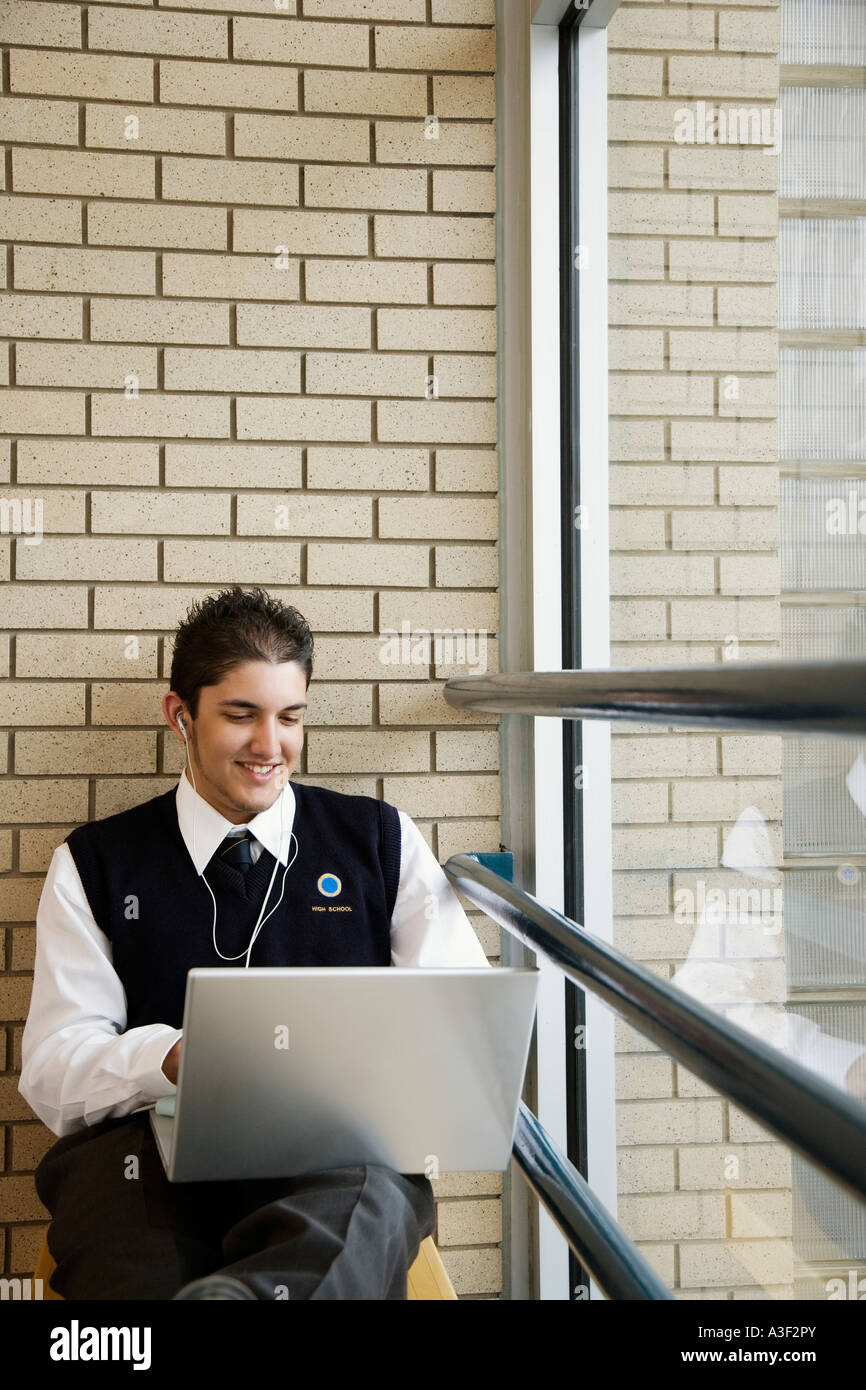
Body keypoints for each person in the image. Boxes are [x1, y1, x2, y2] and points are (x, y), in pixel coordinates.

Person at [19, 586, 491, 1300]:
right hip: (146, 1157)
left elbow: (461, 1030)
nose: (271, 747)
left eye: (289, 718)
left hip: (334, 1161)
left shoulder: (379, 842)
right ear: (181, 715)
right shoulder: (95, 863)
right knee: (125, 1249)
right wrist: (171, 1058)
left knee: (367, 1199)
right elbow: (54, 1072)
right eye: (242, 716)